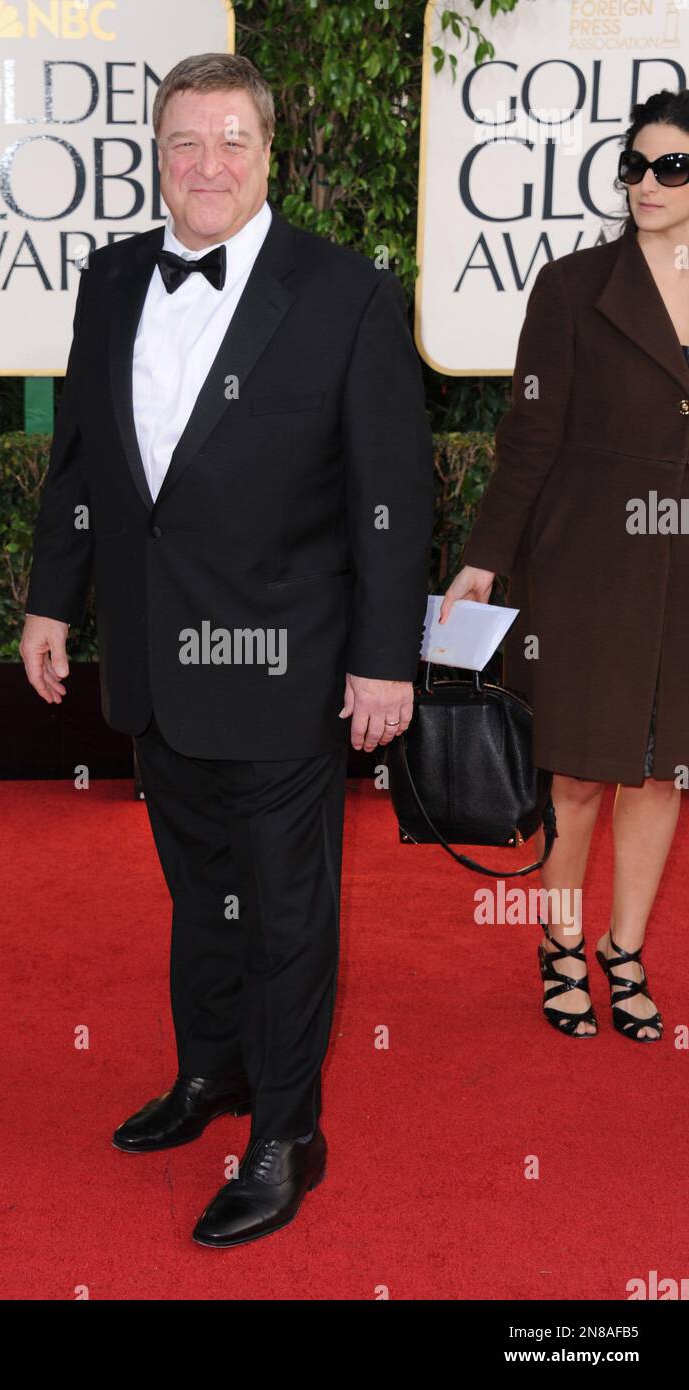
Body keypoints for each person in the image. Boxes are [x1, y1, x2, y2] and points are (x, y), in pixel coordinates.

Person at [21, 52, 433, 1246]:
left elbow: (390, 494)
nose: (207, 165)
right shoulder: (109, 280)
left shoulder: (346, 292)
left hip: (287, 665)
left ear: (269, 154)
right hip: (157, 664)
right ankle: (214, 1075)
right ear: (156, 155)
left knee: (291, 914)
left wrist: (384, 660)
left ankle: (285, 1134)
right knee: (200, 894)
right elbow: (84, 463)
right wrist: (55, 599)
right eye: (184, 142)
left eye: (232, 141)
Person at [441, 89, 689, 1043]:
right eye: (635, 165)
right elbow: (529, 437)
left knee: (663, 772)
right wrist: (483, 562)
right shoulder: (573, 286)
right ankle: (560, 944)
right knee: (580, 775)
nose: (648, 184)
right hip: (588, 561)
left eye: (671, 166)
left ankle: (623, 952)